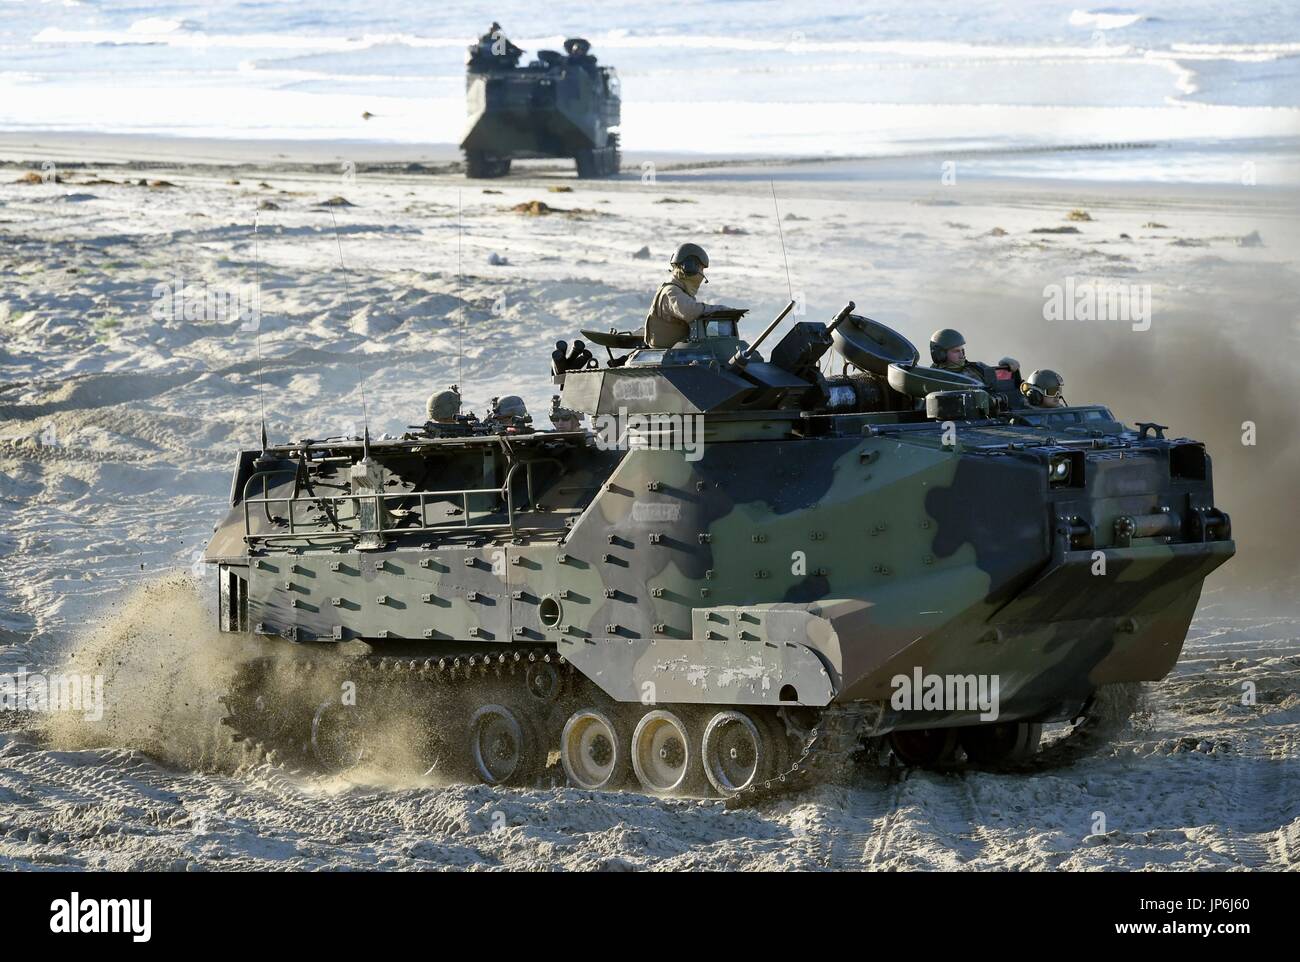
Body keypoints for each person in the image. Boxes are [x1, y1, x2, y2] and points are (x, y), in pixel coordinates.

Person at [646, 243, 728, 349]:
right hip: (669, 352)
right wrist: (720, 310)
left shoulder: (680, 290)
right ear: (689, 267)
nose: (702, 275)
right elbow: (690, 312)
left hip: (680, 350)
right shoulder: (671, 291)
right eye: (701, 269)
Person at [928, 328, 994, 386]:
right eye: (956, 351)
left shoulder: (976, 369)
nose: (961, 355)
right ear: (941, 354)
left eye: (962, 350)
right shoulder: (931, 377)